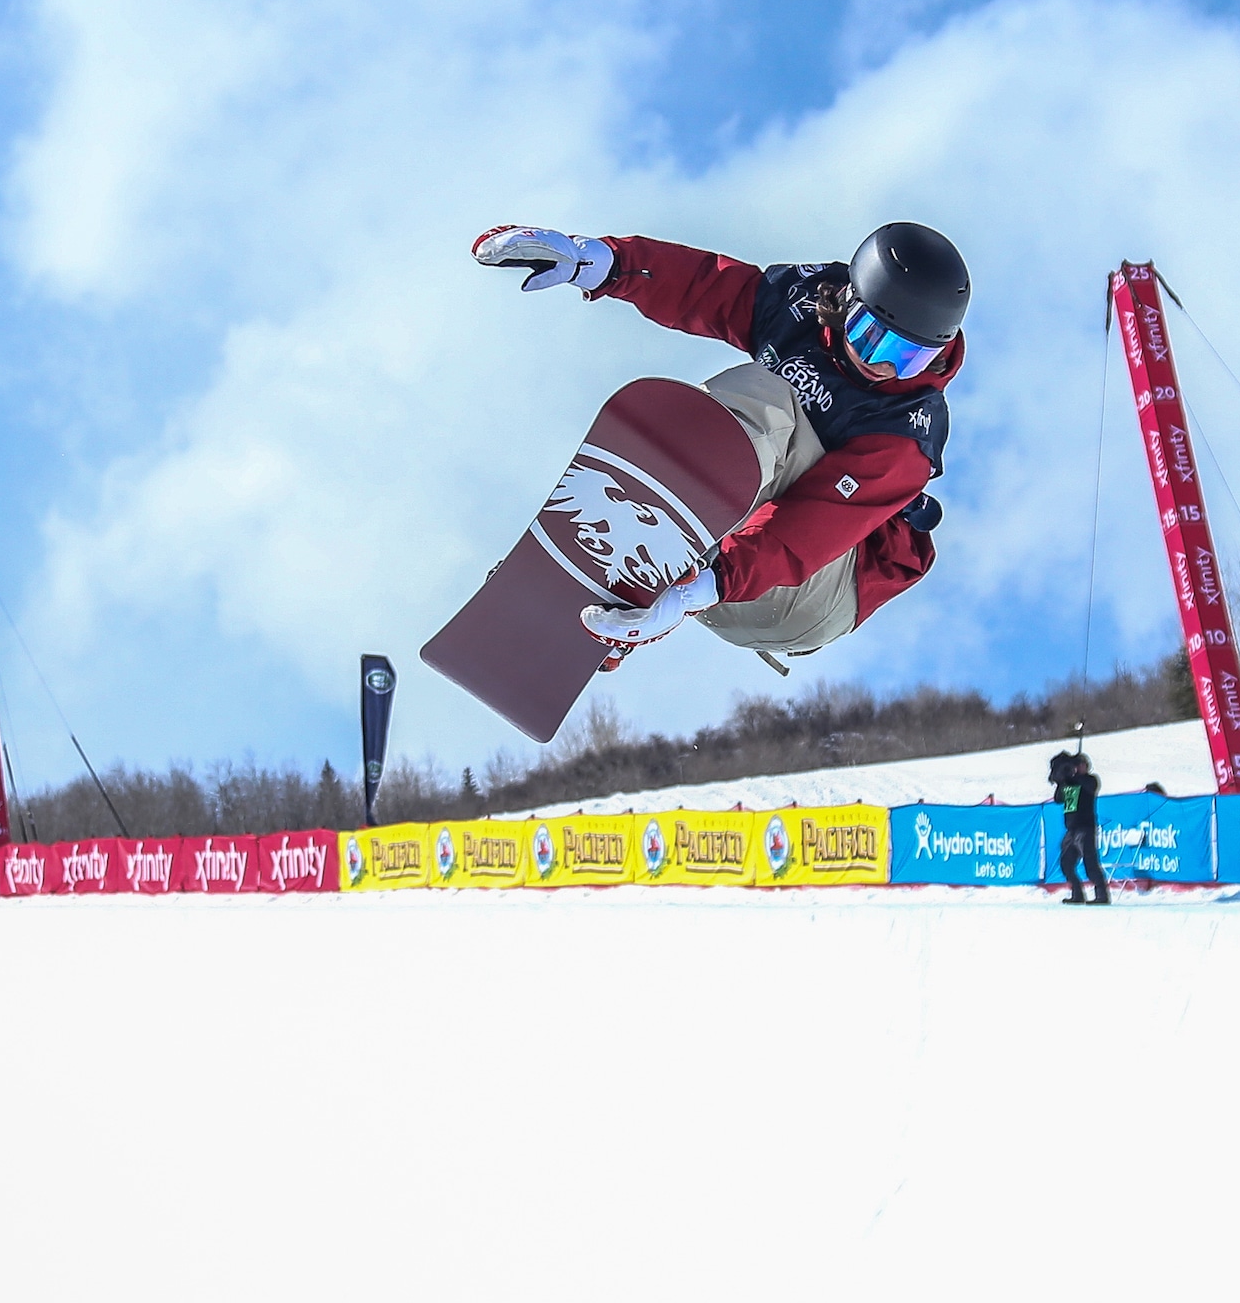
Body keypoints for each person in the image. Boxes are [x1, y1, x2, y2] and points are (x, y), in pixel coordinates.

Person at [472, 220, 967, 663]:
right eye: (868, 335)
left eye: (908, 358)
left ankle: (671, 559)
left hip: (808, 591)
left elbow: (805, 533)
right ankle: (604, 595)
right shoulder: (801, 303)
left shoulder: (904, 432)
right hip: (724, 573)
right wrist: (603, 262)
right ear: (844, 302)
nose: (880, 364)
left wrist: (703, 588)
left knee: (765, 397)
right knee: (723, 414)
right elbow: (706, 288)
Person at [1052, 750, 1108, 905]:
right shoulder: (1069, 782)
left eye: (1079, 765)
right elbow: (1058, 799)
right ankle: (1077, 893)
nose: (1076, 768)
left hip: (1085, 827)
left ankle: (1102, 895)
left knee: (1090, 863)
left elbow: (1090, 787)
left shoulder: (1090, 780)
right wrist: (1061, 780)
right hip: (1071, 829)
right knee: (1066, 863)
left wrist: (1076, 776)